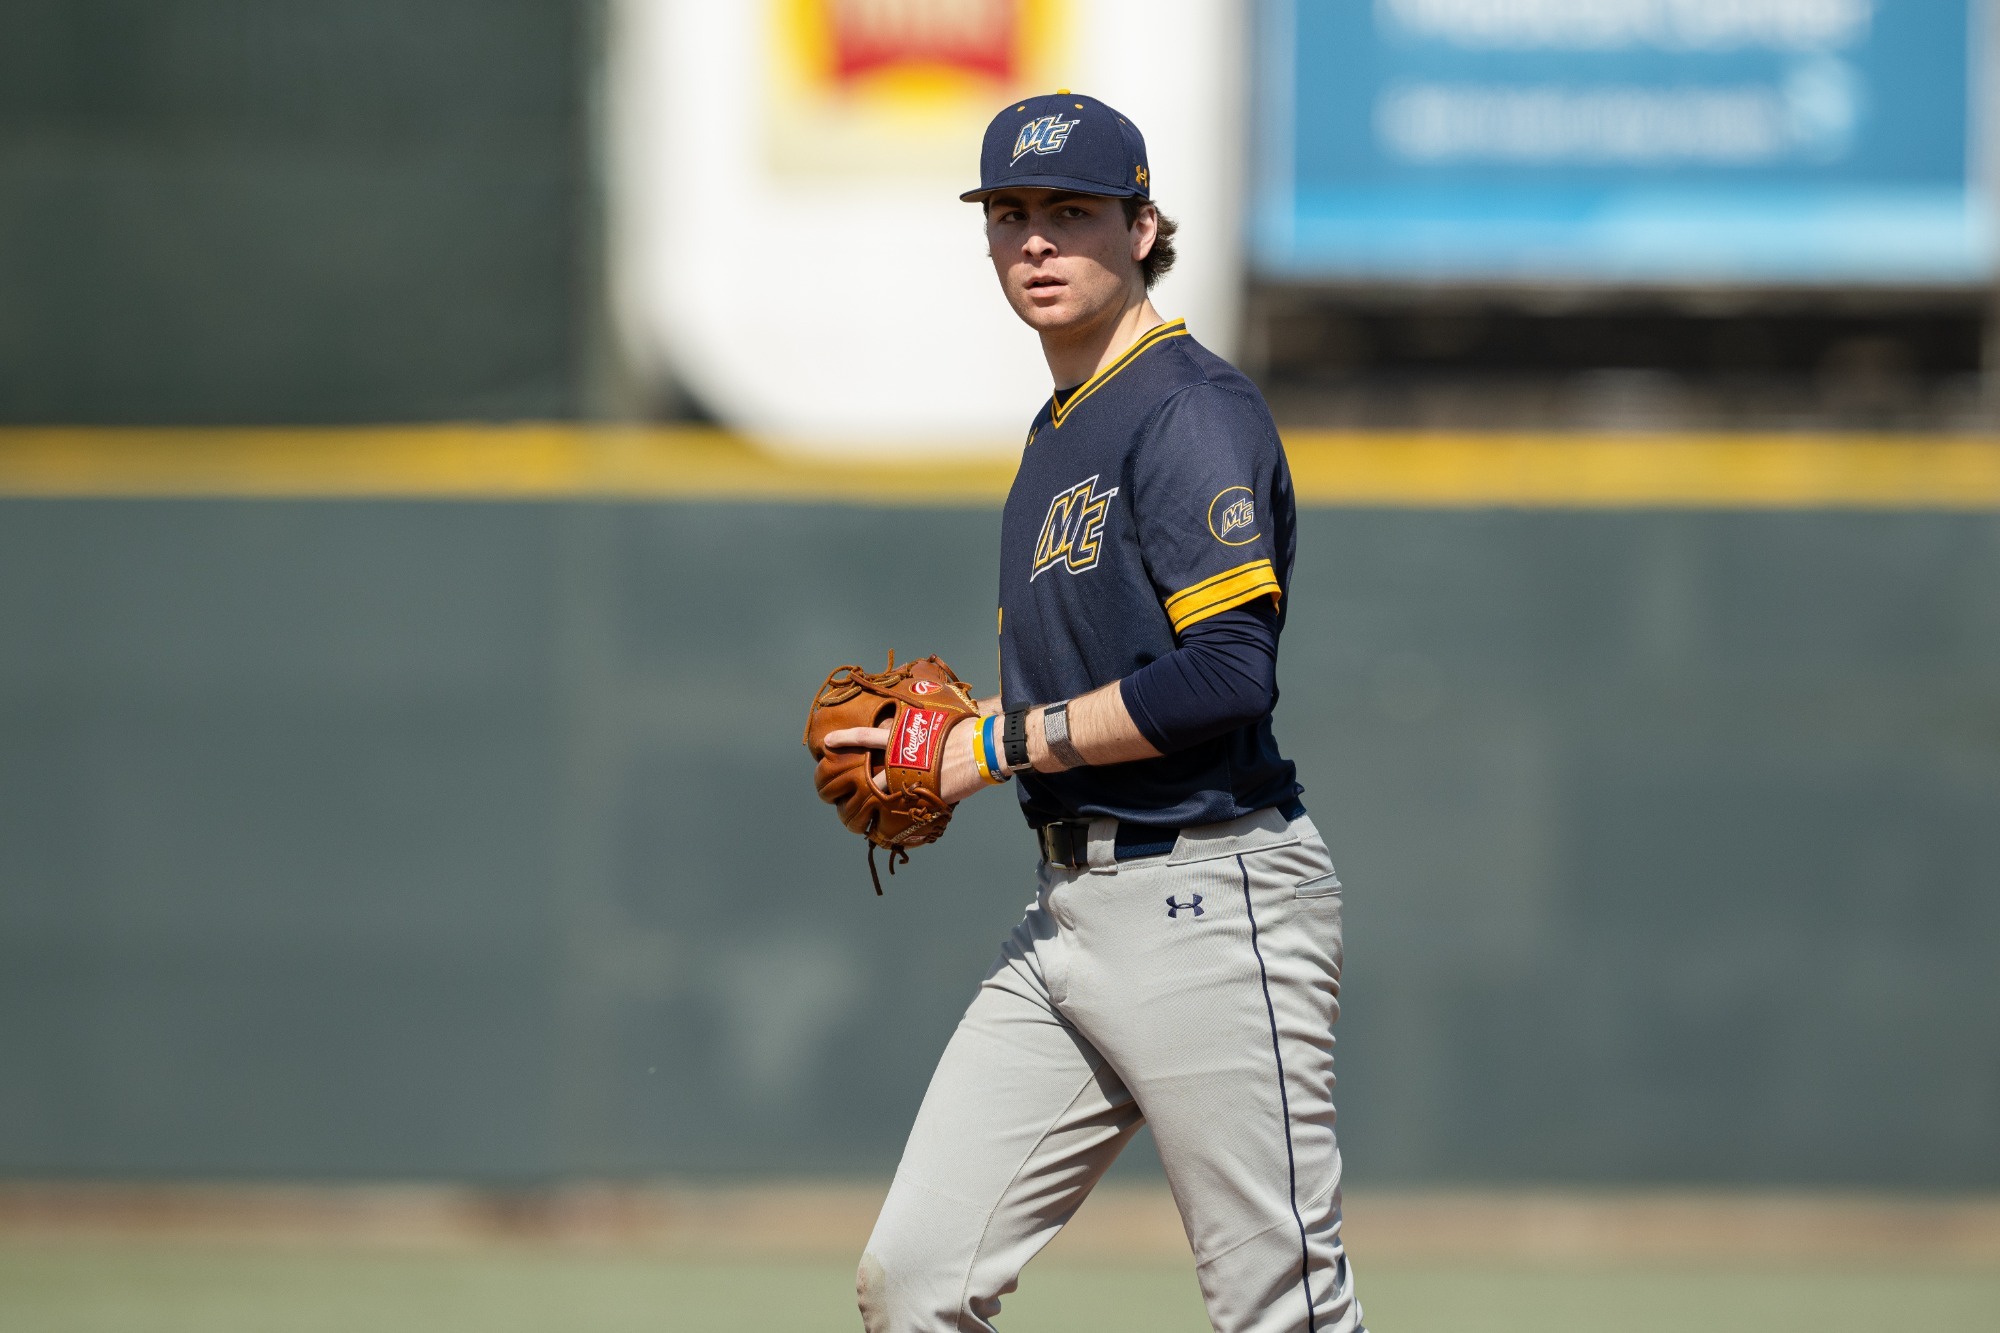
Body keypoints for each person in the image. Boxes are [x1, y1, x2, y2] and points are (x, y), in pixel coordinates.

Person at [822, 91, 1364, 1333]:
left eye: (1071, 212)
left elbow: (1228, 672)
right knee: (913, 1282)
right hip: (1068, 915)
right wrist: (945, 739)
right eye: (1009, 214)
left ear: (1142, 223)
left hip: (1210, 895)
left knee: (1279, 1305)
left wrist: (993, 744)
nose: (1036, 242)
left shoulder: (1188, 410)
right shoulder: (1057, 429)